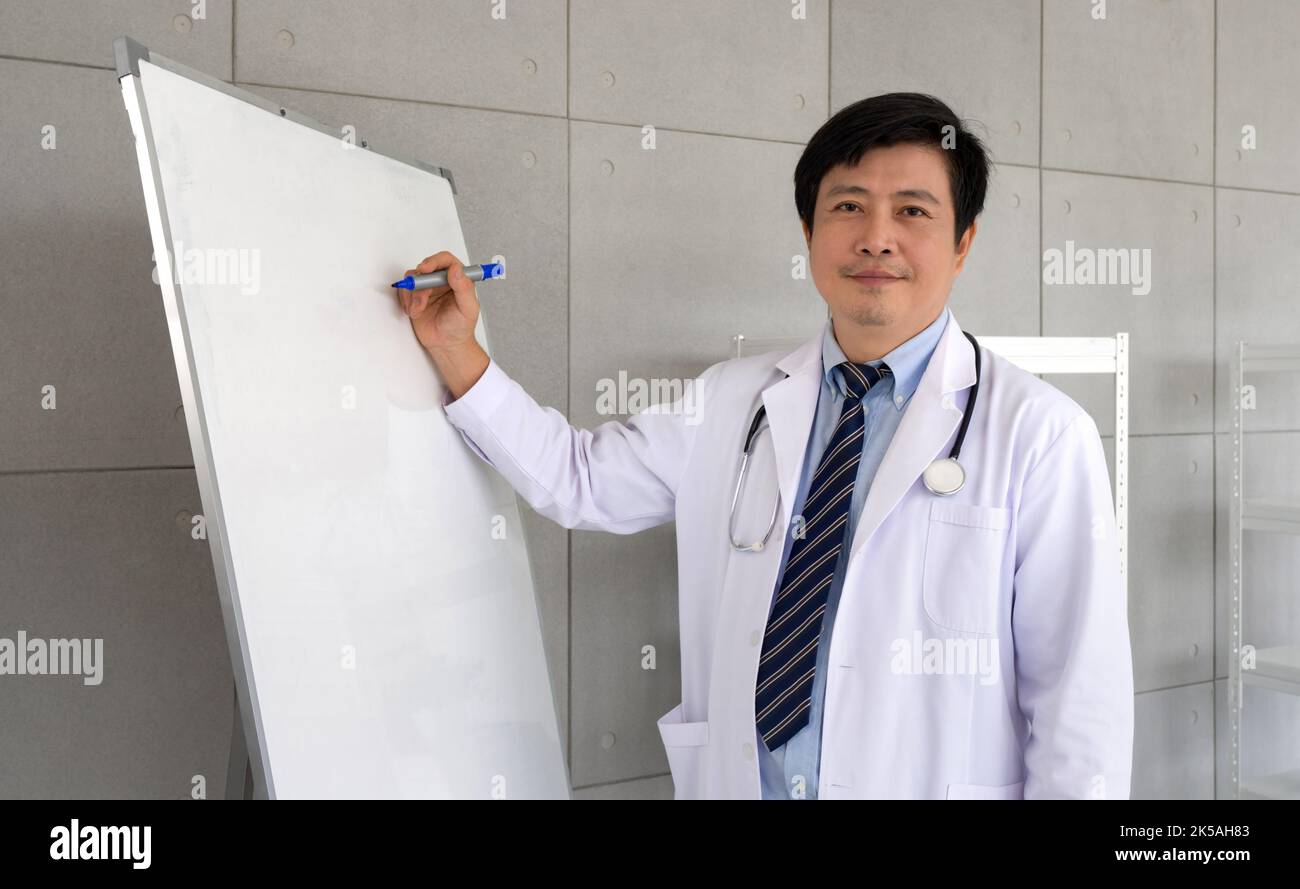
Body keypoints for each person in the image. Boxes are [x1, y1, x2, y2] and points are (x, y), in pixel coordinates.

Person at [396, 93, 1133, 799]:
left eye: (912, 210)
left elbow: (1080, 706)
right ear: (810, 234)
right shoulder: (731, 399)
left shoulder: (1040, 435)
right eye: (847, 206)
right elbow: (578, 480)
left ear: (963, 241)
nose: (876, 236)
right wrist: (457, 351)